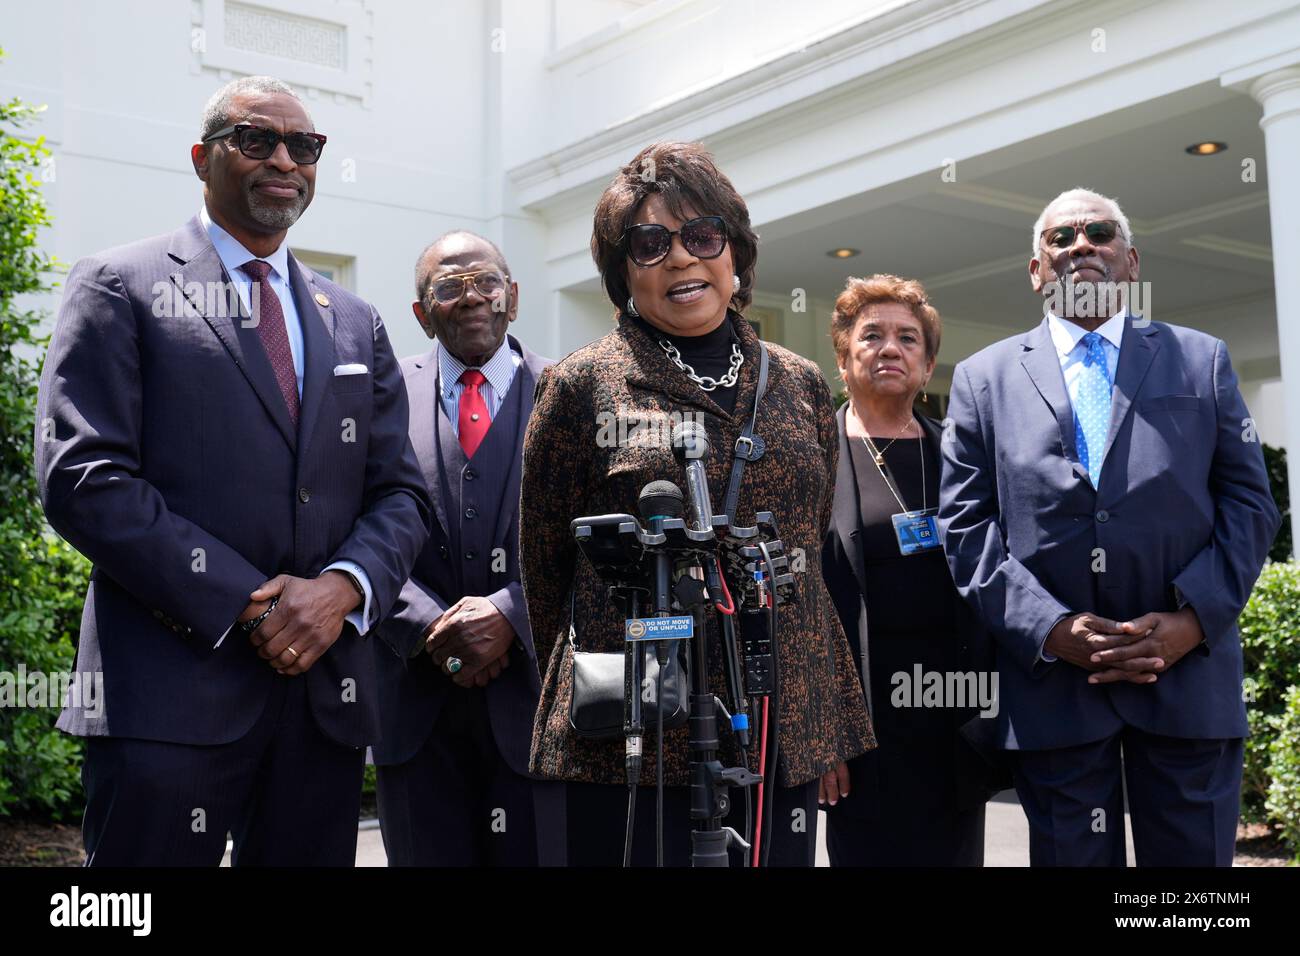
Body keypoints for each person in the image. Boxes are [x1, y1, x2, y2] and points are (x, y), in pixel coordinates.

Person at [34, 75, 431, 866]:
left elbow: (401, 494)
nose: (284, 158)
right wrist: (250, 606)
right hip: (166, 698)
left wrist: (342, 591)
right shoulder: (120, 284)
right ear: (202, 157)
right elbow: (84, 478)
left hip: (321, 696)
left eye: (304, 146)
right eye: (256, 139)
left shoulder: (352, 318)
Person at [519, 141, 875, 867]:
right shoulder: (583, 383)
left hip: (779, 710)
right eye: (649, 244)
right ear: (623, 274)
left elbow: (805, 541)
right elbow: (544, 561)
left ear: (734, 253)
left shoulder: (801, 384)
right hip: (636, 719)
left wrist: (824, 716)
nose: (680, 258)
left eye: (701, 236)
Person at [937, 187, 1280, 866]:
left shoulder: (1201, 360)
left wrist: (1192, 621)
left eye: (1100, 232)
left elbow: (1251, 503)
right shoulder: (983, 380)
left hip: (1188, 682)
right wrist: (1050, 630)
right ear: (1037, 271)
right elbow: (966, 525)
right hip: (1056, 691)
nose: (1082, 245)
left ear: (1131, 263)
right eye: (1060, 238)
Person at [372, 230, 561, 866]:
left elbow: (594, 535)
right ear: (422, 314)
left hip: (542, 712)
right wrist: (429, 627)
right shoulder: (379, 396)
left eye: (485, 283)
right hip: (416, 712)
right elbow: (346, 526)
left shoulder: (574, 395)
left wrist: (510, 613)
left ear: (512, 296)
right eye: (449, 288)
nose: (472, 298)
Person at [821, 274, 1001, 866]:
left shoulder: (961, 455)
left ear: (927, 367)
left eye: (909, 338)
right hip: (861, 720)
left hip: (954, 716)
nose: (890, 348)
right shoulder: (815, 459)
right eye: (871, 336)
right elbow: (795, 606)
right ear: (844, 359)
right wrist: (821, 733)